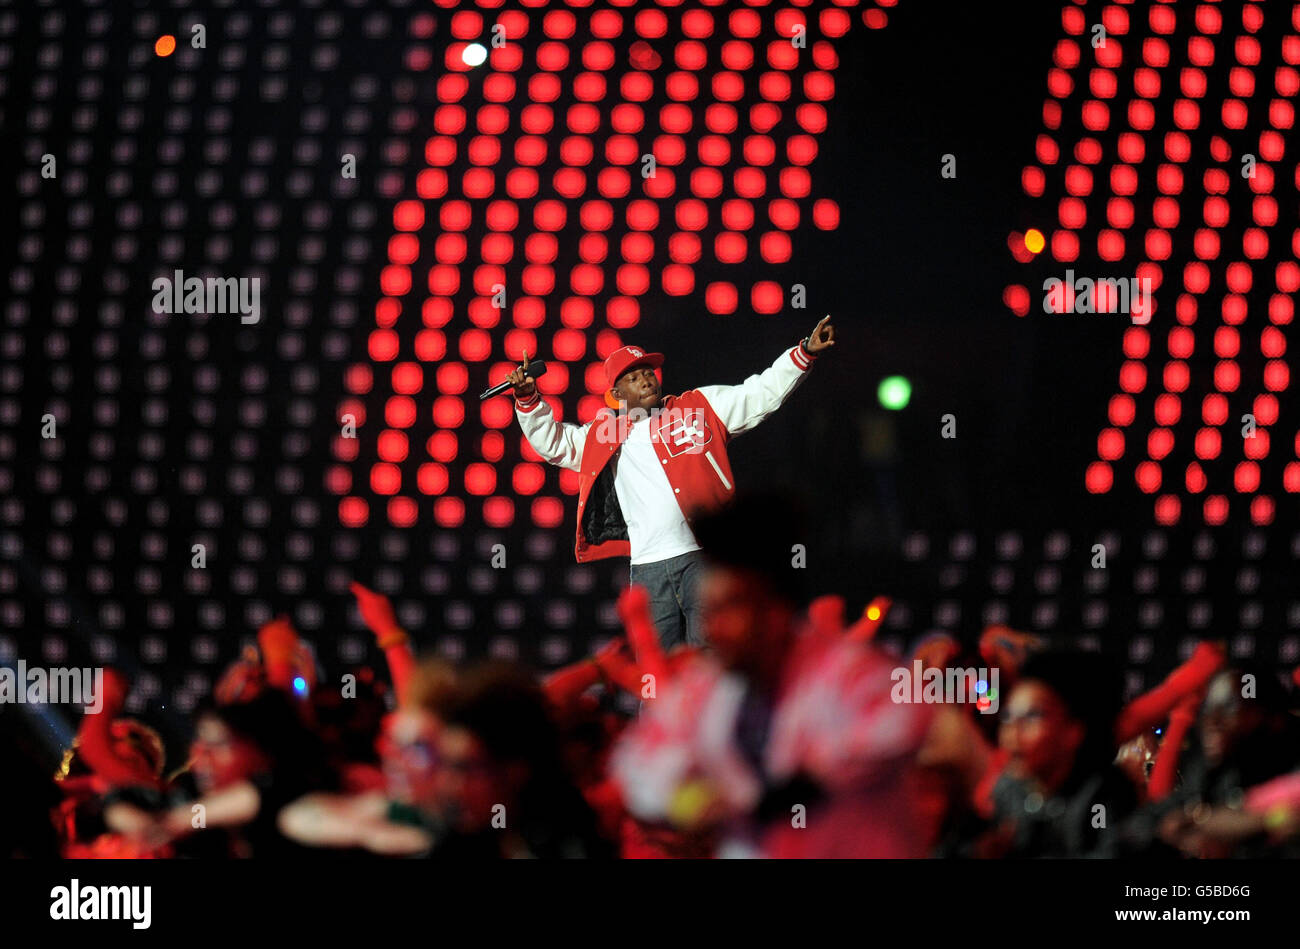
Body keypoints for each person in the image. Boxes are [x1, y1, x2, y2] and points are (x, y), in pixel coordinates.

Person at [611, 493, 932, 858]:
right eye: (709, 610)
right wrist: (691, 799)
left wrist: (766, 794)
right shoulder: (705, 689)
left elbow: (902, 723)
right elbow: (637, 762)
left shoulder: (849, 670)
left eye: (729, 608)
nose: (713, 627)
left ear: (774, 610)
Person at [507, 317, 835, 648]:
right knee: (658, 673)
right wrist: (528, 399)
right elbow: (554, 443)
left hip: (704, 559)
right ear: (616, 395)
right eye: (634, 378)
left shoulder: (699, 406)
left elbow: (759, 393)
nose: (646, 381)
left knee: (712, 662)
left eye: (648, 372)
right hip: (648, 567)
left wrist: (804, 352)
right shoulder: (603, 434)